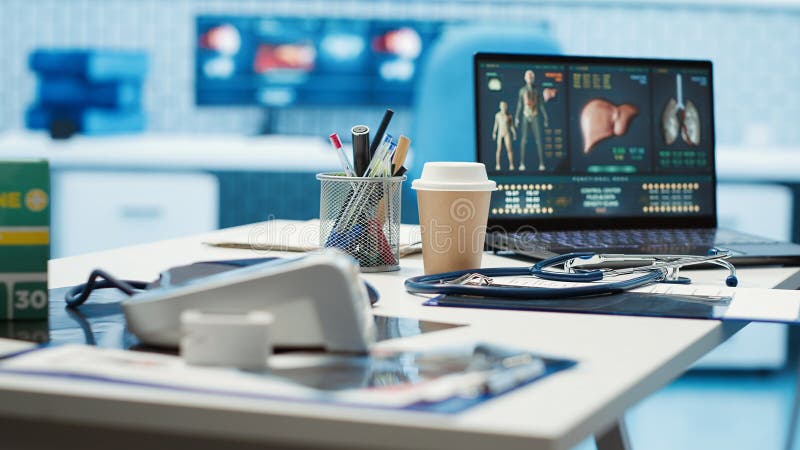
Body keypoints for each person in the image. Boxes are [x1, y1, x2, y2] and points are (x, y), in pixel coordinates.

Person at [515, 70, 549, 171]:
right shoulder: (522, 91)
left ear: (533, 78)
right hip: (525, 115)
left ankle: (542, 164)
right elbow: (520, 104)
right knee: (524, 140)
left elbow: (541, 105)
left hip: (535, 115)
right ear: (525, 78)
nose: (530, 78)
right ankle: (522, 163)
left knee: (538, 140)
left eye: (531, 76)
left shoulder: (537, 91)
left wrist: (545, 117)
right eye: (528, 76)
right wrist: (516, 117)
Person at [492, 101, 517, 171]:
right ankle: (497, 164)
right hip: (500, 134)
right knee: (498, 149)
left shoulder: (509, 116)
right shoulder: (497, 115)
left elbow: (511, 126)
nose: (503, 107)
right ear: (500, 107)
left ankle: (511, 164)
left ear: (506, 107)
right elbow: (496, 125)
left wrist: (514, 133)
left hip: (507, 133)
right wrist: (494, 133)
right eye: (502, 106)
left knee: (509, 149)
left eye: (504, 106)